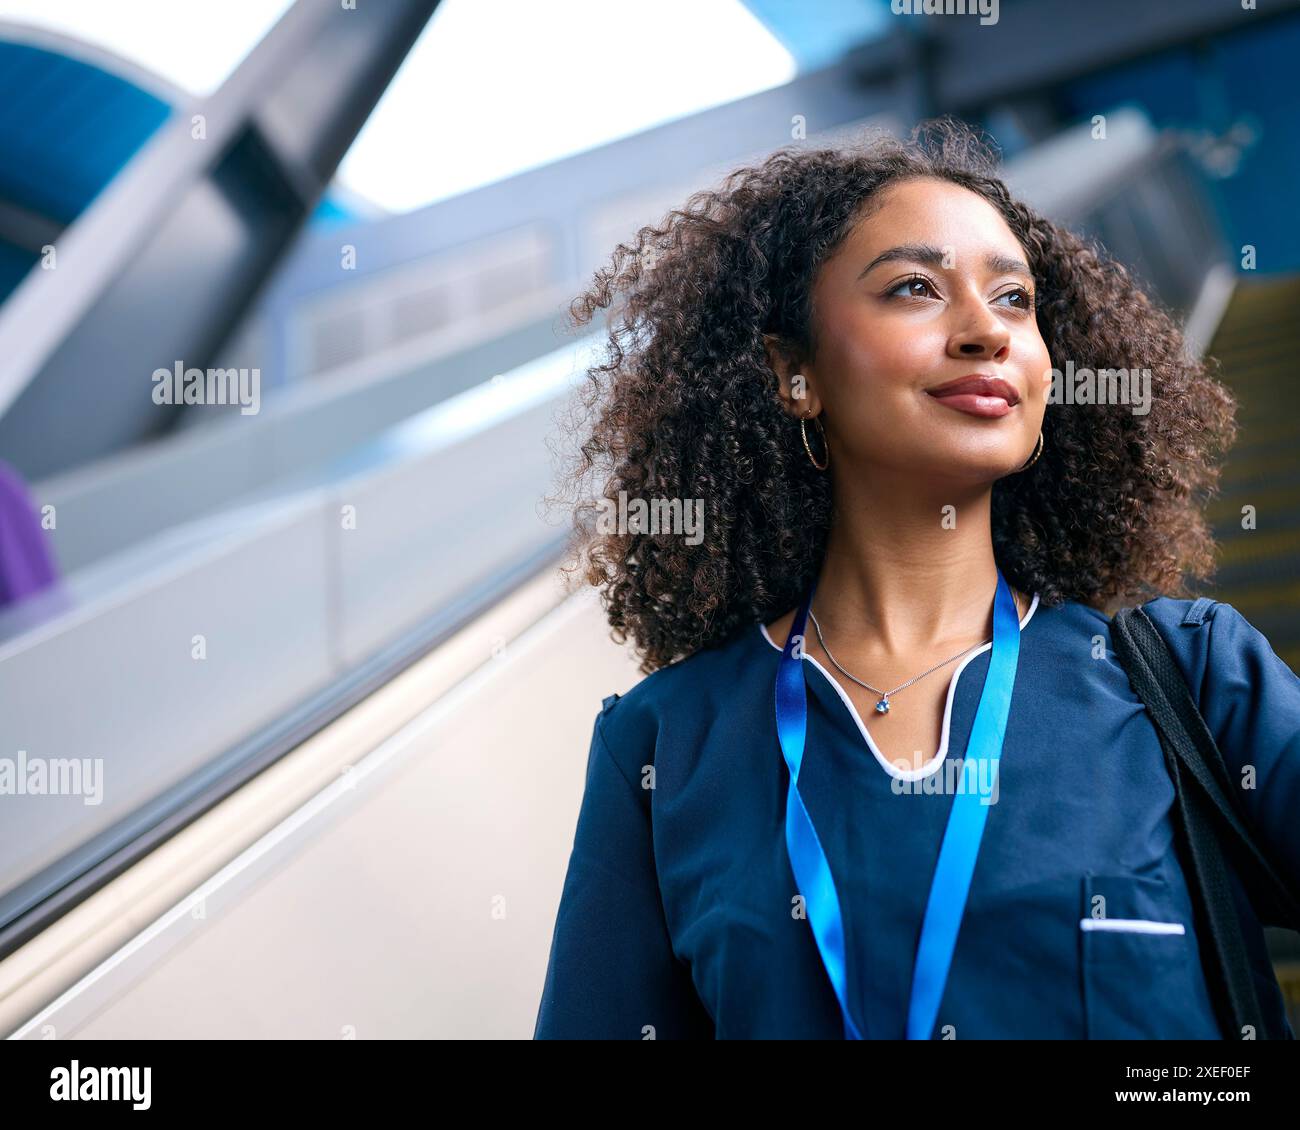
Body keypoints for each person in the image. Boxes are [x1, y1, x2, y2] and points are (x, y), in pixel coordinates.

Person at [532, 119, 1300, 1039]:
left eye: (1015, 299)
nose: (985, 331)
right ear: (794, 372)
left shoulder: (1186, 675)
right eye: (914, 288)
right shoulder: (662, 746)